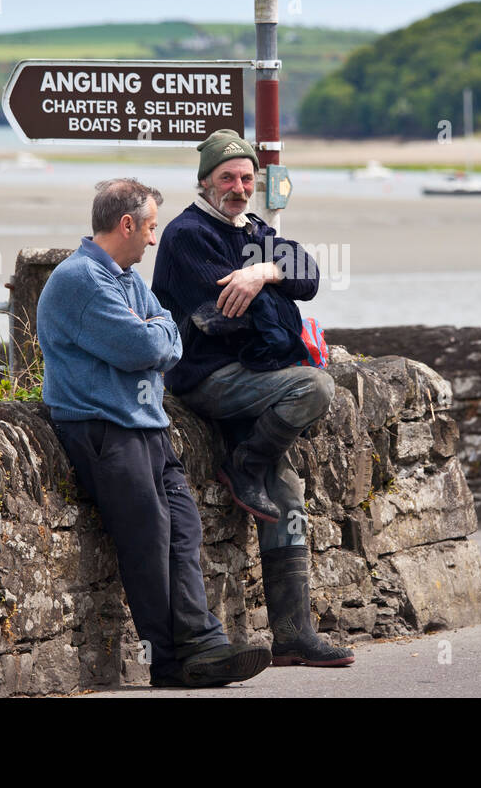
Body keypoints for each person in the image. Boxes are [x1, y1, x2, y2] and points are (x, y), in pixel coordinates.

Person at [38, 177, 270, 688]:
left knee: (183, 531)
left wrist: (154, 332)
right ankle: (167, 663)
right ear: (126, 224)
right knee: (146, 541)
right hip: (103, 429)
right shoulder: (80, 279)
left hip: (148, 425)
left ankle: (202, 645)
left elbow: (167, 329)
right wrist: (155, 335)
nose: (152, 239)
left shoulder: (123, 276)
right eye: (149, 228)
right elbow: (145, 348)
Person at [152, 131, 355, 668]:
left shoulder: (257, 231)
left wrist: (263, 270)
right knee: (314, 385)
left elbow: (308, 277)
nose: (239, 187)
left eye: (246, 178)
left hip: (256, 379)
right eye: (228, 178)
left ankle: (292, 636)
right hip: (209, 378)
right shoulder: (186, 234)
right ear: (205, 181)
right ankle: (244, 462)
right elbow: (218, 318)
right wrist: (267, 286)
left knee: (286, 499)